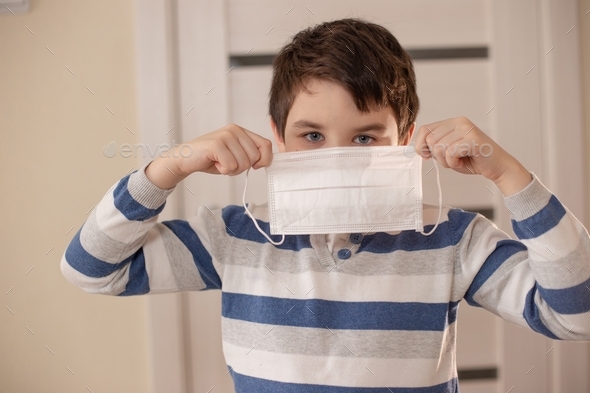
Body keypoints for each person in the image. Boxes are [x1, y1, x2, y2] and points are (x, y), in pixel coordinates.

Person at [61, 18, 590, 392]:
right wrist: (167, 167)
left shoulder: (453, 240)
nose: (337, 155)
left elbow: (574, 317)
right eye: (312, 135)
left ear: (405, 137)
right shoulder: (232, 236)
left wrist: (511, 176)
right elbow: (91, 270)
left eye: (365, 138)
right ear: (278, 136)